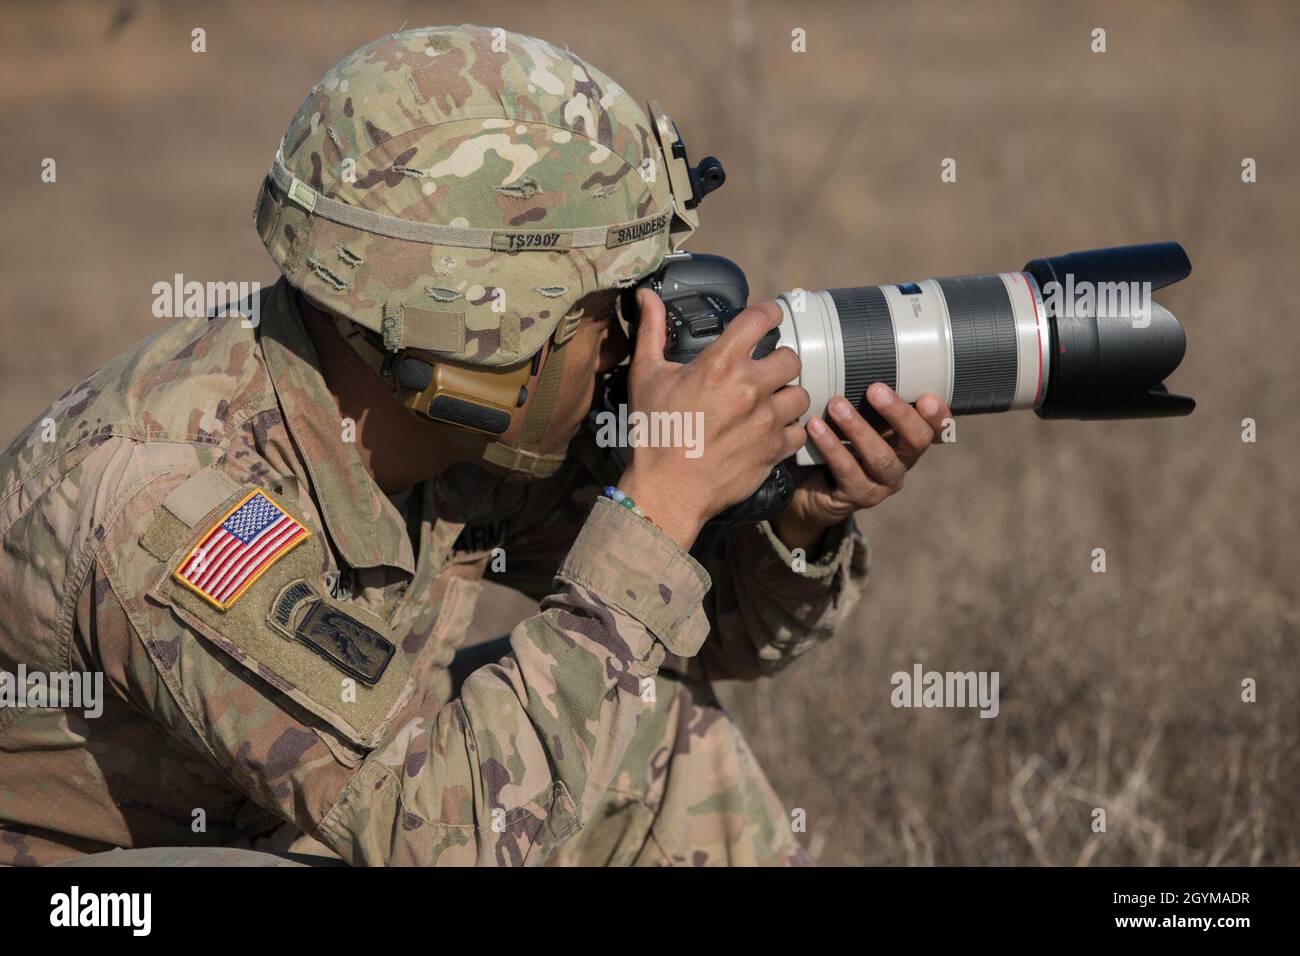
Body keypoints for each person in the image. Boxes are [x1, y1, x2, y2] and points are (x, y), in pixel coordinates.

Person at [0, 25, 950, 866]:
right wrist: (655, 509)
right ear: (479, 328)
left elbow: (706, 641)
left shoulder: (454, 425)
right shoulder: (167, 503)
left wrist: (793, 517)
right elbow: (442, 841)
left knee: (660, 746)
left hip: (289, 812)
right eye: (610, 309)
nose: (637, 339)